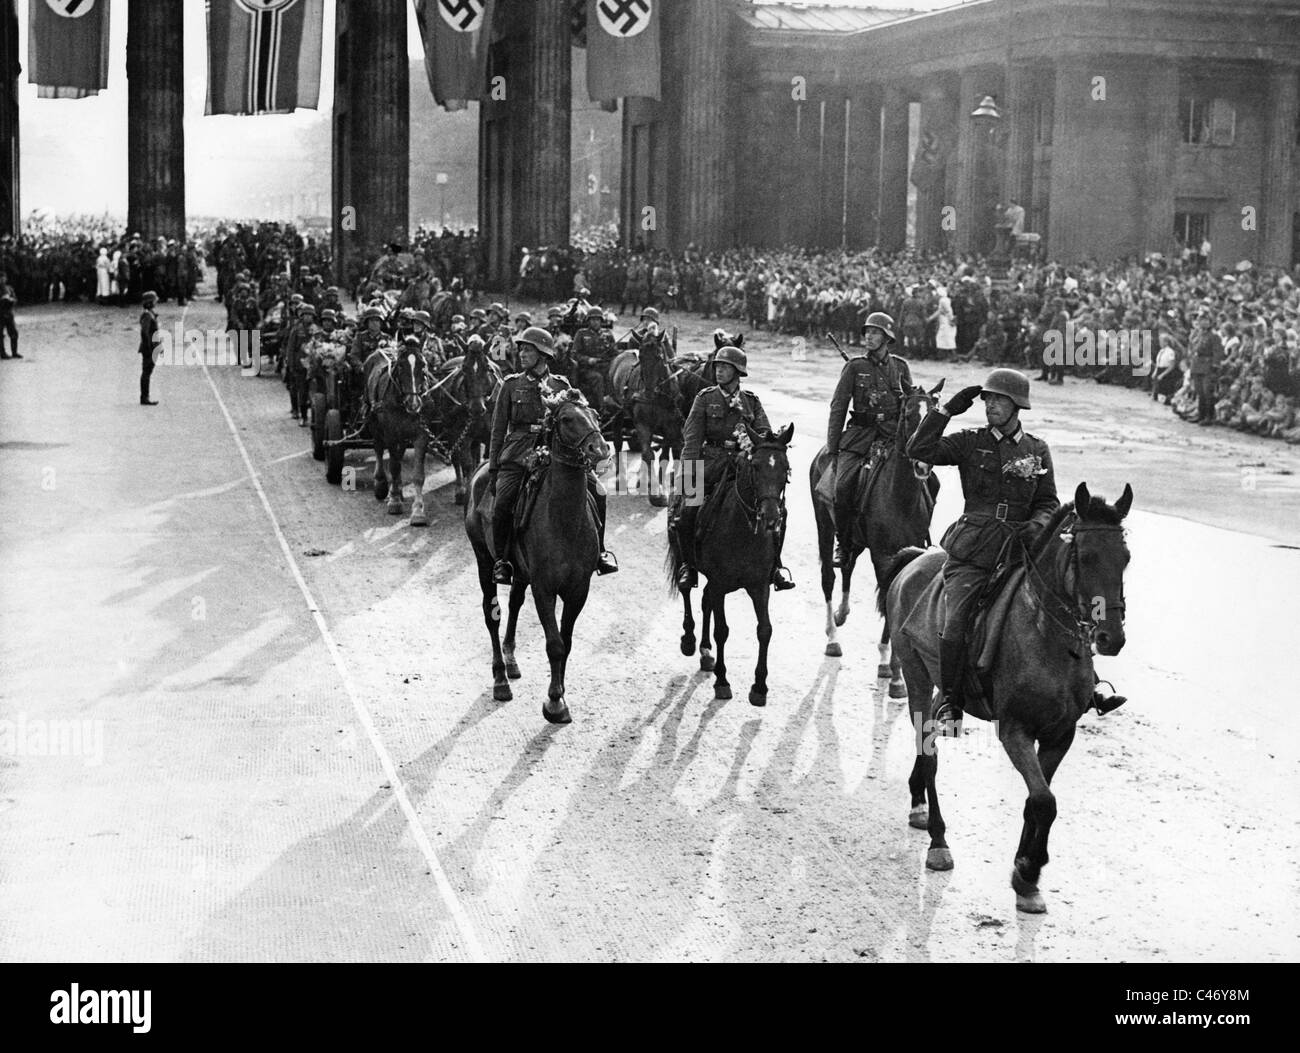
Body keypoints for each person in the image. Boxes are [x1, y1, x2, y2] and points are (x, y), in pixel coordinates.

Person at [906, 368, 1124, 730]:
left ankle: (1089, 684)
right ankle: (950, 699)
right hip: (974, 548)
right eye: (988, 398)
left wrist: (1037, 526)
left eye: (999, 400)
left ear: (1016, 406)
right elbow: (918, 449)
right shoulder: (969, 441)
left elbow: (1048, 501)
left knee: (1069, 601)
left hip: (1021, 548)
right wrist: (943, 413)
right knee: (957, 616)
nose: (991, 404)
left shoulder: (1036, 449)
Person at [487, 326, 618, 585]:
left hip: (558, 454)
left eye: (528, 350)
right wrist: (494, 469)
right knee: (502, 504)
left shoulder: (561, 384)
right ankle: (503, 562)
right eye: (521, 349)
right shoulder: (511, 385)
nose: (522, 354)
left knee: (599, 493)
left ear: (543, 354)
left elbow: (578, 418)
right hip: (518, 454)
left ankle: (599, 552)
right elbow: (498, 430)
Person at [675, 345, 795, 591]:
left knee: (776, 509)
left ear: (737, 372)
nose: (719, 371)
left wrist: (759, 444)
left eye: (725, 367)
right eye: (717, 366)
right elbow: (692, 439)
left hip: (743, 464)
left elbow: (763, 433)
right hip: (710, 463)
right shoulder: (705, 399)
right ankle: (688, 565)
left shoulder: (751, 401)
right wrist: (688, 472)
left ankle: (775, 566)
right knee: (687, 512)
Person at [825, 311, 913, 567]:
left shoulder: (901, 367)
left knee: (928, 481)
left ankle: (918, 531)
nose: (869, 336)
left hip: (892, 436)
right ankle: (844, 541)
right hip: (859, 436)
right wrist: (833, 448)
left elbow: (909, 407)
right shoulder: (854, 367)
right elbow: (838, 407)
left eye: (875, 332)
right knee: (841, 488)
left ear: (887, 338)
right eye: (867, 332)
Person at [1188, 312, 1224, 424]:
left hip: (1207, 365)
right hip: (1197, 364)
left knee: (1207, 391)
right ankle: (1201, 414)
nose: (1202, 322)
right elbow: (1193, 348)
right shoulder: (1198, 334)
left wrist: (1214, 367)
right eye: (1201, 320)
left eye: (1205, 320)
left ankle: (1208, 416)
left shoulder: (1214, 336)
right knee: (1199, 391)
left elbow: (1218, 353)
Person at [138, 290, 160, 405]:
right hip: (149, 349)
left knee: (147, 372)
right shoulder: (147, 315)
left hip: (151, 348)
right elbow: (145, 332)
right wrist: (150, 347)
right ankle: (144, 397)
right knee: (146, 373)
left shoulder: (149, 313)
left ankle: (145, 396)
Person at [0, 272, 19, 358]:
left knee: (14, 333)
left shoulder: (9, 288)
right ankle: (2, 353)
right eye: (1, 278)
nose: (2, 280)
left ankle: (14, 352)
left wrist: (11, 300)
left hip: (9, 313)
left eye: (3, 278)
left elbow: (15, 299)